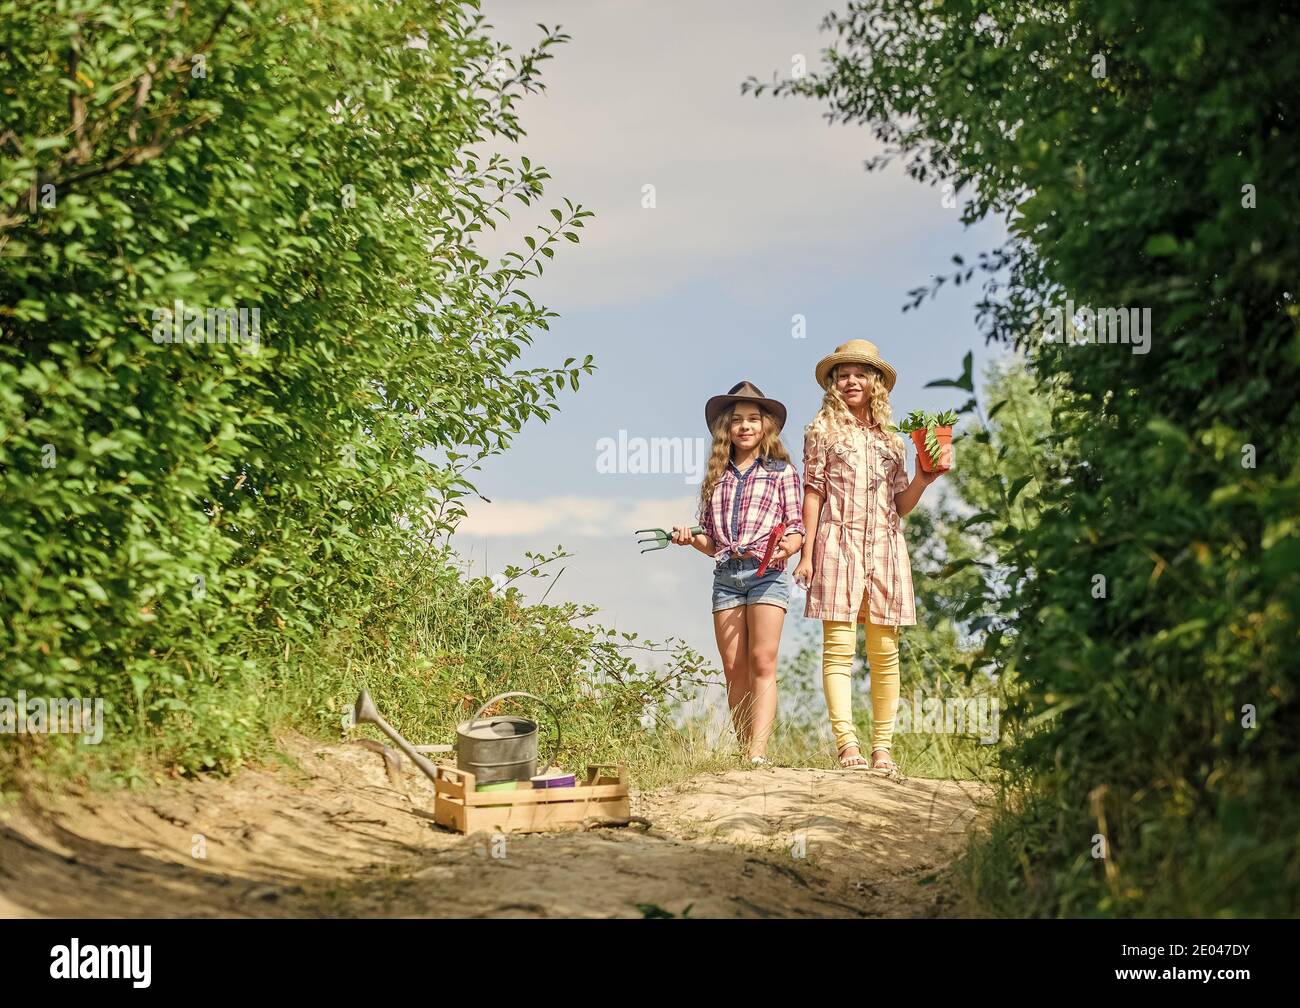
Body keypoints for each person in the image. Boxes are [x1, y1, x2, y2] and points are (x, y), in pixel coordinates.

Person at [793, 341, 944, 773]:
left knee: (884, 651)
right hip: (836, 542)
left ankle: (882, 750)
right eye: (843, 374)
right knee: (838, 648)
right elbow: (814, 492)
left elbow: (900, 503)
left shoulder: (894, 442)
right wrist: (806, 554)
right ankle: (847, 746)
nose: (851, 380)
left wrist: (922, 478)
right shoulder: (820, 433)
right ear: (833, 384)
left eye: (860, 373)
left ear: (875, 382)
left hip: (885, 545)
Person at [672, 381, 805, 765]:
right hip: (727, 575)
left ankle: (758, 753)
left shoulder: (782, 472)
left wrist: (791, 546)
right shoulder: (717, 479)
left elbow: (795, 526)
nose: (745, 426)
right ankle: (744, 746)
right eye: (736, 421)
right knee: (734, 667)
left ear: (766, 426)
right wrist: (688, 538)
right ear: (725, 430)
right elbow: (711, 542)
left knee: (762, 660)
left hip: (767, 572)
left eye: (753, 419)